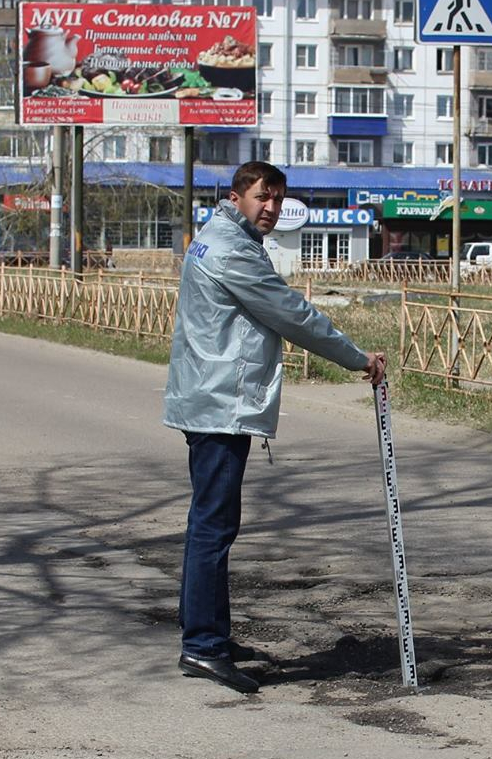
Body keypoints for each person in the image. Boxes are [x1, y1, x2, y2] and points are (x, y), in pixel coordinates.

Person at [163, 160, 387, 694]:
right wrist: (355, 358)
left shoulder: (218, 237)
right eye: (264, 196)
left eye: (279, 199)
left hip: (209, 396)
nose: (272, 208)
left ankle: (205, 631)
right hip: (219, 403)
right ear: (238, 194)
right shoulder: (233, 250)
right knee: (213, 527)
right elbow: (291, 313)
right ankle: (202, 645)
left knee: (210, 524)